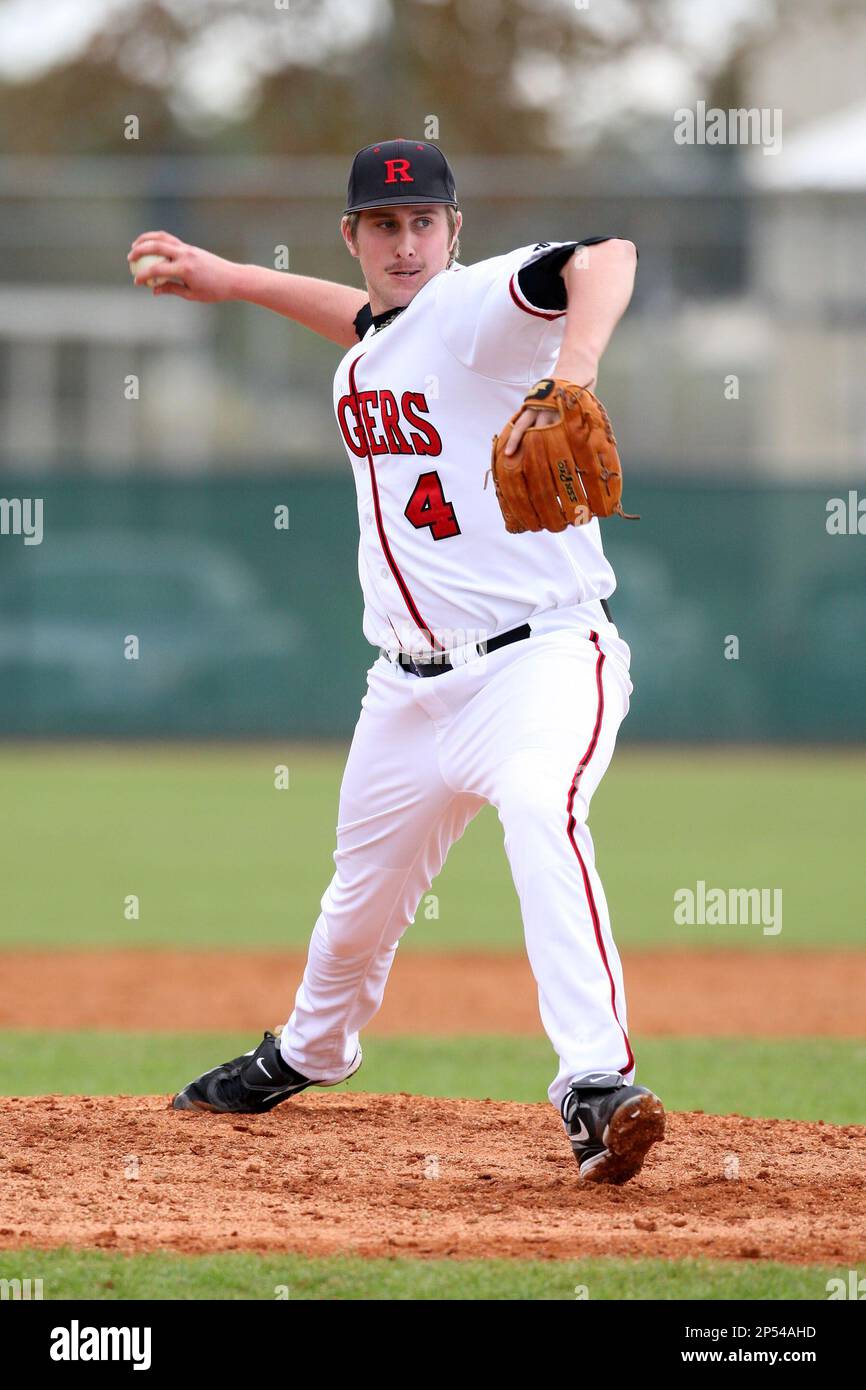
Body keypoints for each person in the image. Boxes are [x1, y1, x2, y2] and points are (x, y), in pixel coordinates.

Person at [129, 138, 665, 1184]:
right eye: (384, 225)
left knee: (540, 815)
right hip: (406, 692)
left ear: (452, 232)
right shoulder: (385, 340)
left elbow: (609, 253)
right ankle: (307, 1051)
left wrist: (573, 372)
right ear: (353, 236)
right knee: (357, 902)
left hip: (538, 662)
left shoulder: (476, 307)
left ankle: (594, 1083)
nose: (405, 241)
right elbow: (368, 323)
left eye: (424, 221)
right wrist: (231, 279)